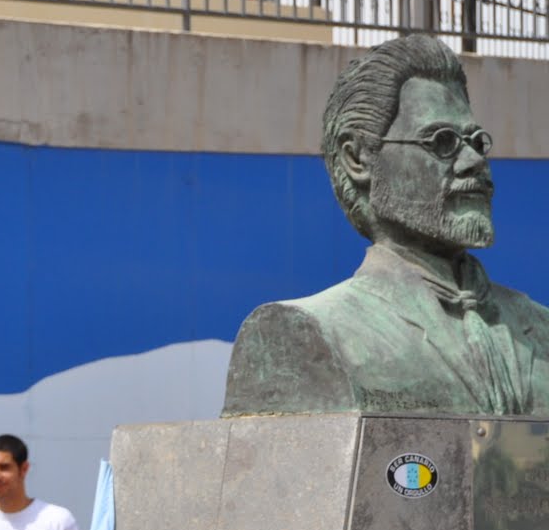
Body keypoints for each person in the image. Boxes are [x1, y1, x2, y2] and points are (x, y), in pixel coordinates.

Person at [224, 33, 549, 416]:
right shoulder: (296, 336)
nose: (473, 161)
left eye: (476, 142)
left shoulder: (538, 325)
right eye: (442, 141)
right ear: (357, 159)